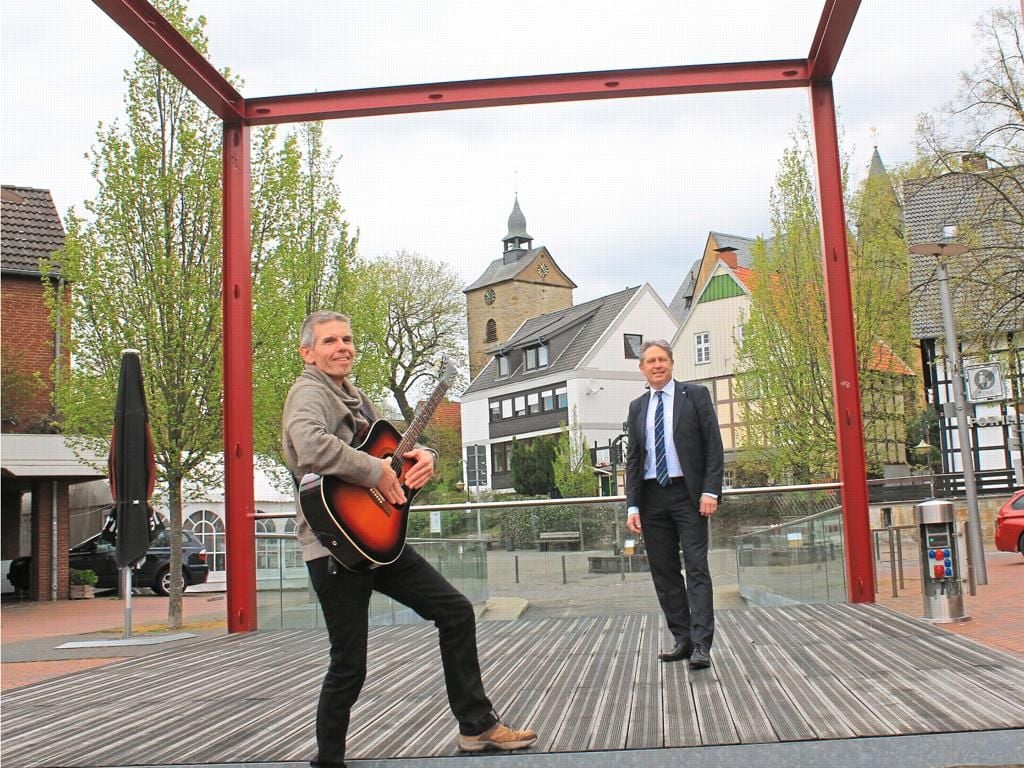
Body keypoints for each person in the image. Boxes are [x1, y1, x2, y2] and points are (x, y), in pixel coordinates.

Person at [282, 310, 536, 768]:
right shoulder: (308, 393)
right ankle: (328, 761)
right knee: (349, 665)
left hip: (377, 538)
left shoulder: (356, 399)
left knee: (455, 612)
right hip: (334, 544)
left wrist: (425, 457)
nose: (343, 347)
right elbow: (311, 447)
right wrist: (376, 470)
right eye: (330, 341)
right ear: (308, 353)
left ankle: (476, 726)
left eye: (347, 338)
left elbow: (391, 452)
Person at [624, 340, 724, 670]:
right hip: (652, 498)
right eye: (650, 361)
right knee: (664, 572)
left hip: (689, 495)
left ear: (671, 363)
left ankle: (701, 645)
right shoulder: (637, 407)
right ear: (642, 368)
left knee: (696, 568)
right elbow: (634, 460)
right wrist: (632, 506)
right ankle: (682, 639)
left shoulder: (694, 396)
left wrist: (711, 491)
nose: (657, 365)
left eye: (662, 359)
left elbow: (713, 447)